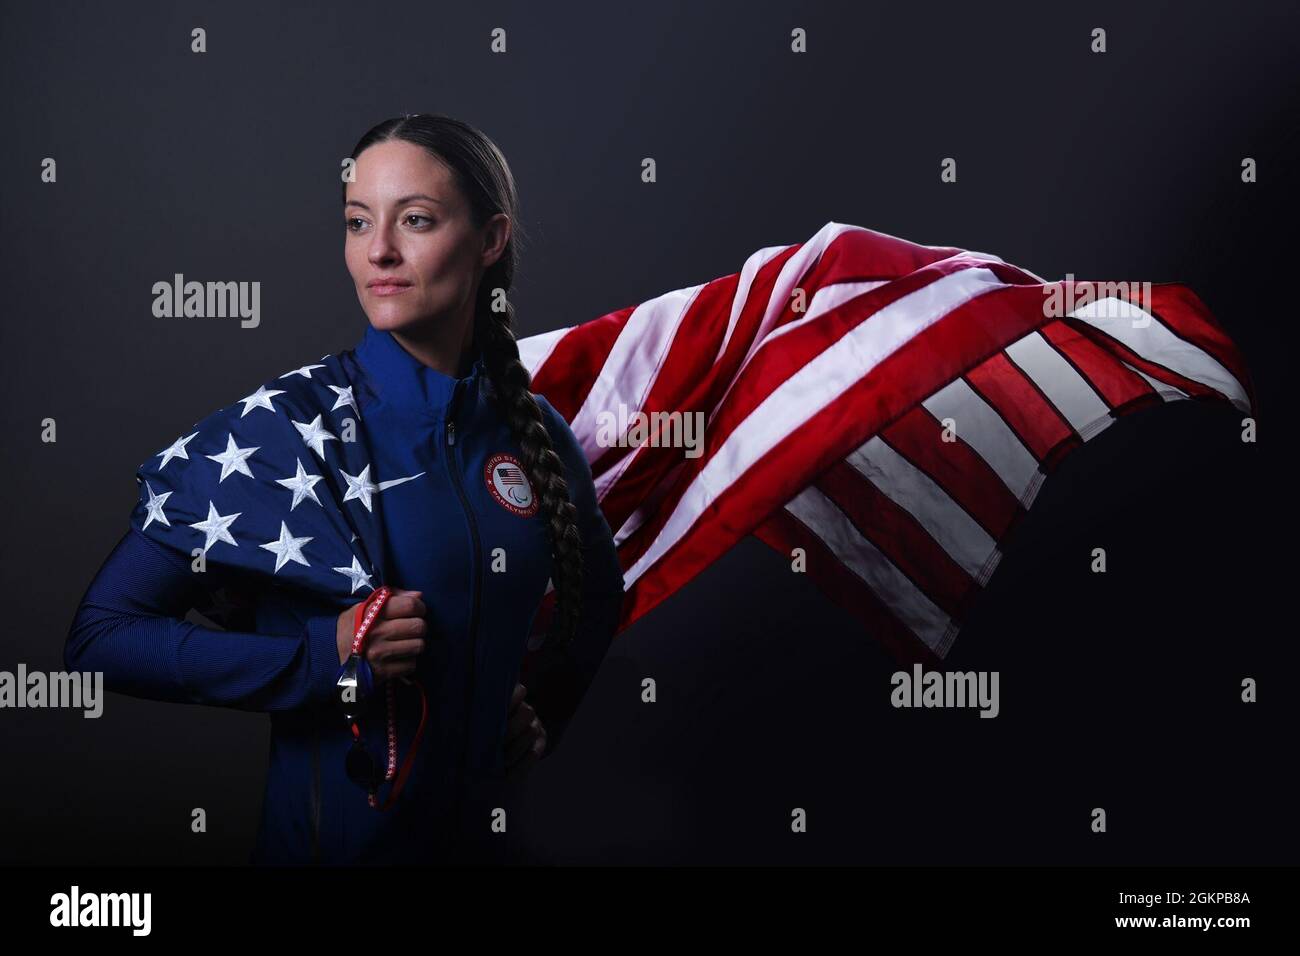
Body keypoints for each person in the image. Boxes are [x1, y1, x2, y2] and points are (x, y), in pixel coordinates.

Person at [64, 113, 627, 865]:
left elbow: (597, 600)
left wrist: (534, 707)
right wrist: (319, 654)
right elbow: (101, 637)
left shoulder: (534, 432)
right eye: (359, 222)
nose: (379, 250)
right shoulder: (283, 431)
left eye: (416, 220)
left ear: (490, 240)